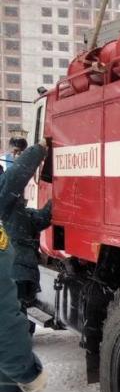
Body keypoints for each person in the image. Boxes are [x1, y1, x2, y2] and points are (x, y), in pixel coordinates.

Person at [0, 142, 48, 392]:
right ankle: (8, 386)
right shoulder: (13, 212)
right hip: (19, 274)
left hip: (20, 273)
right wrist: (29, 373)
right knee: (14, 321)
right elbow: (5, 325)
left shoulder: (17, 214)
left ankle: (6, 386)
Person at [0, 138, 52, 330]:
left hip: (16, 276)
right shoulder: (4, 198)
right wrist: (38, 150)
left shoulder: (14, 210)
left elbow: (39, 220)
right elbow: (13, 178)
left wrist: (59, 199)